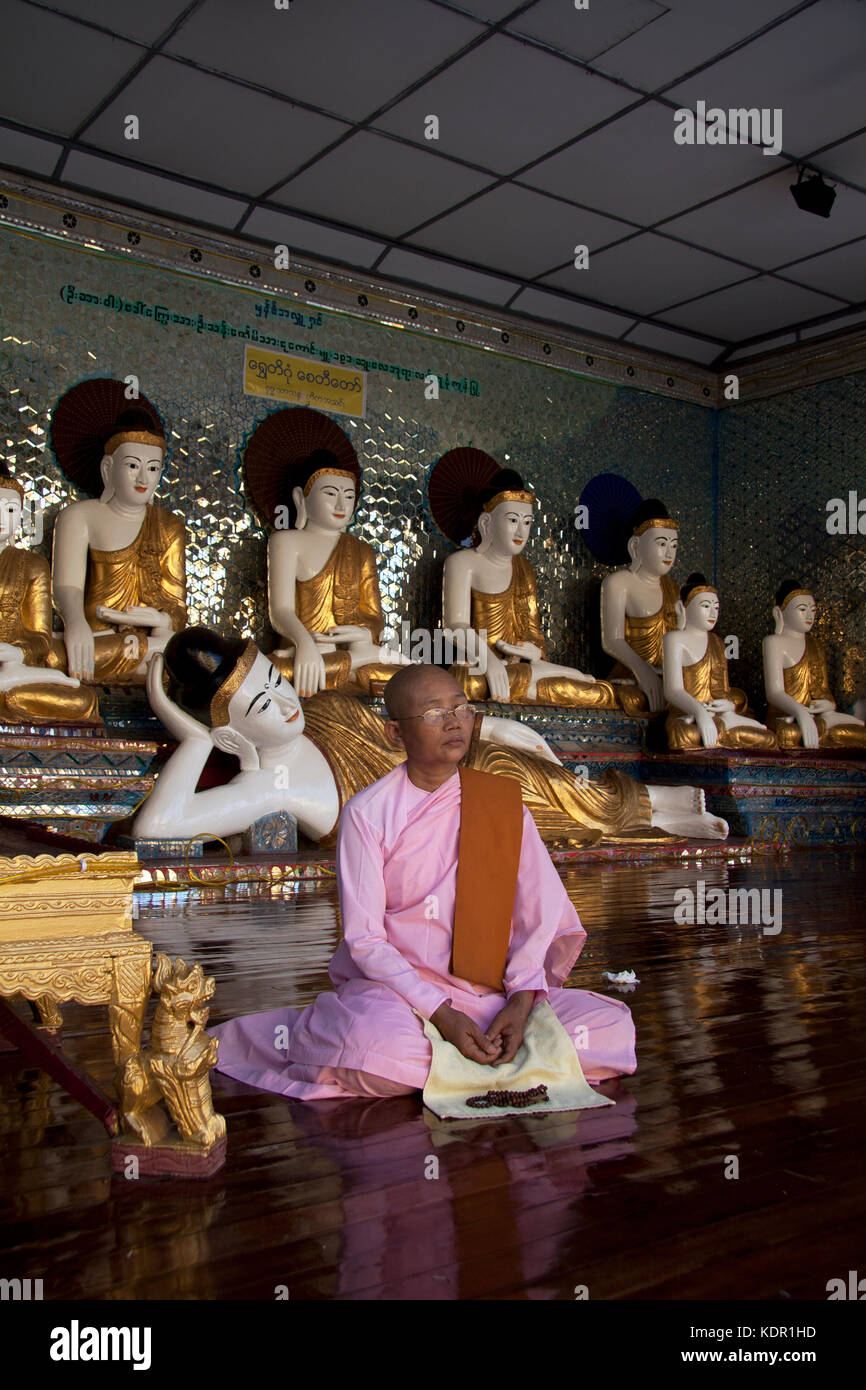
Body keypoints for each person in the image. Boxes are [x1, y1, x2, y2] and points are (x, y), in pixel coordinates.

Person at [210, 663, 637, 1101]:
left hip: (495, 993)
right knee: (376, 1049)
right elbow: (366, 941)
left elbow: (540, 915)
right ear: (396, 734)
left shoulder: (504, 806)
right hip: (403, 998)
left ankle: (465, 1063)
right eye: (434, 713)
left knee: (608, 1031)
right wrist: (442, 1014)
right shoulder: (368, 813)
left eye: (461, 708)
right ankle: (504, 1063)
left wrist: (522, 1001)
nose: (454, 722)